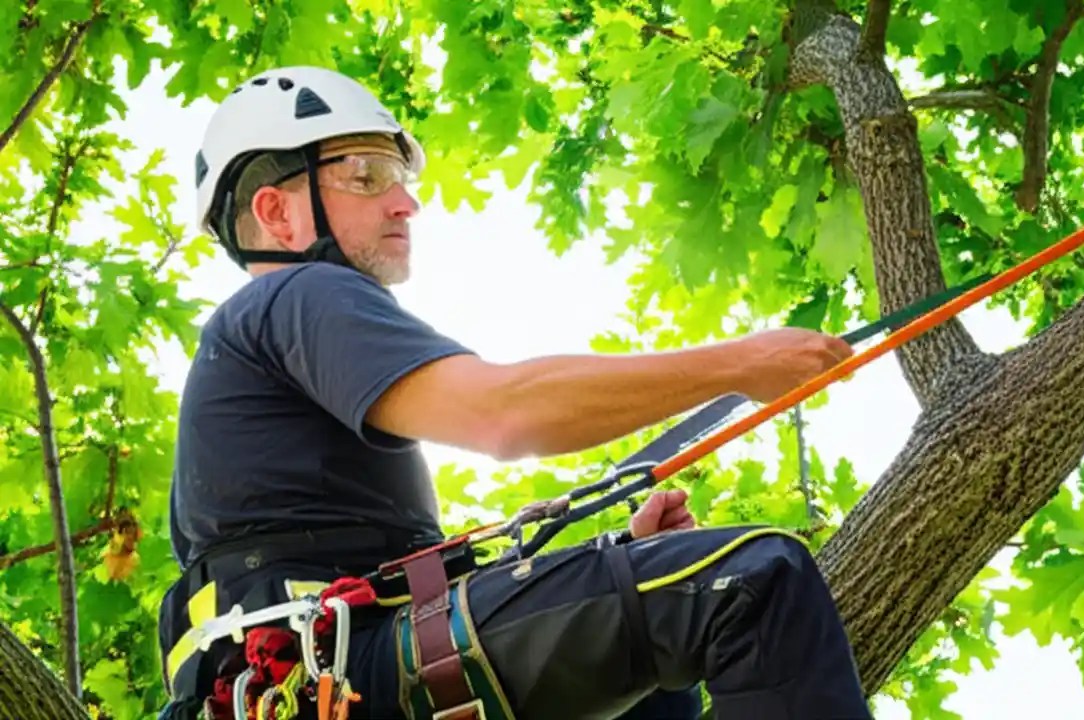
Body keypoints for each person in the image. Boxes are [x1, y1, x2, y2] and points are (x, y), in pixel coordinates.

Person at [156, 65, 875, 720]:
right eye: (368, 175)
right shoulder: (298, 295)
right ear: (278, 214)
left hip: (338, 676)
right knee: (751, 585)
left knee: (660, 693)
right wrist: (736, 364)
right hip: (344, 672)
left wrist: (621, 555)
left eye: (400, 178)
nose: (404, 203)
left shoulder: (255, 376)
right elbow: (503, 414)